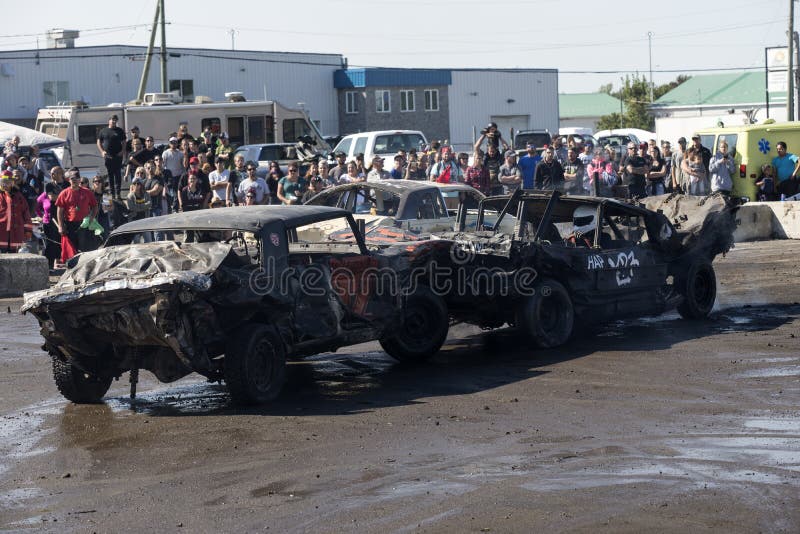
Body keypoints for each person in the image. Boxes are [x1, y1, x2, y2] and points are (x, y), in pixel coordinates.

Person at [55, 168, 98, 252]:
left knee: (86, 248)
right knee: (73, 249)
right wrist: (61, 226)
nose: (74, 180)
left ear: (79, 180)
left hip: (85, 224)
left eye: (76, 178)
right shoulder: (64, 193)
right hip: (70, 225)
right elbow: (59, 211)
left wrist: (91, 218)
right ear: (69, 180)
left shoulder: (87, 192)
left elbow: (95, 206)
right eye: (72, 179)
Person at [0, 170, 32, 253]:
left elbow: (26, 213)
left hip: (16, 234)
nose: (4, 184)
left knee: (15, 258)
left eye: (7, 182)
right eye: (2, 182)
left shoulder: (19, 197)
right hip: (1, 234)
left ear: (12, 183)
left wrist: (28, 230)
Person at [96, 114, 125, 200]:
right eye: (112, 120)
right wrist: (102, 151)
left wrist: (122, 151)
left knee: (118, 175)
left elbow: (124, 142)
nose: (114, 121)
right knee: (110, 175)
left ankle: (118, 194)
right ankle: (112, 194)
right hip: (108, 156)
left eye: (115, 120)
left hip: (118, 156)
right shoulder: (103, 131)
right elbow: (98, 142)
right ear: (109, 121)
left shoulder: (120, 131)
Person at [36, 182, 61, 265]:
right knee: (50, 244)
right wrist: (41, 215)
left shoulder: (60, 195)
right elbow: (37, 207)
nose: (52, 196)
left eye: (54, 194)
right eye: (50, 194)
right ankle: (49, 264)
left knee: (58, 243)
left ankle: (58, 261)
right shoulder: (43, 196)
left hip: (59, 222)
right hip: (47, 223)